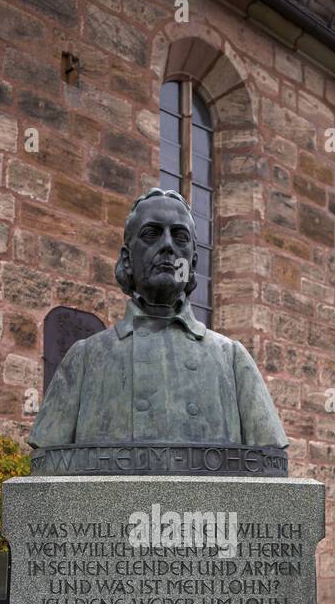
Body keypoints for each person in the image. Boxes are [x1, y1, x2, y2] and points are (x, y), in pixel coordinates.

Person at [28, 188, 288, 451]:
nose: (167, 245)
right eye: (151, 234)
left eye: (180, 237)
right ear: (127, 259)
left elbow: (270, 459)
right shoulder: (85, 358)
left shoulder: (232, 359)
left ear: (192, 263)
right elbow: (47, 462)